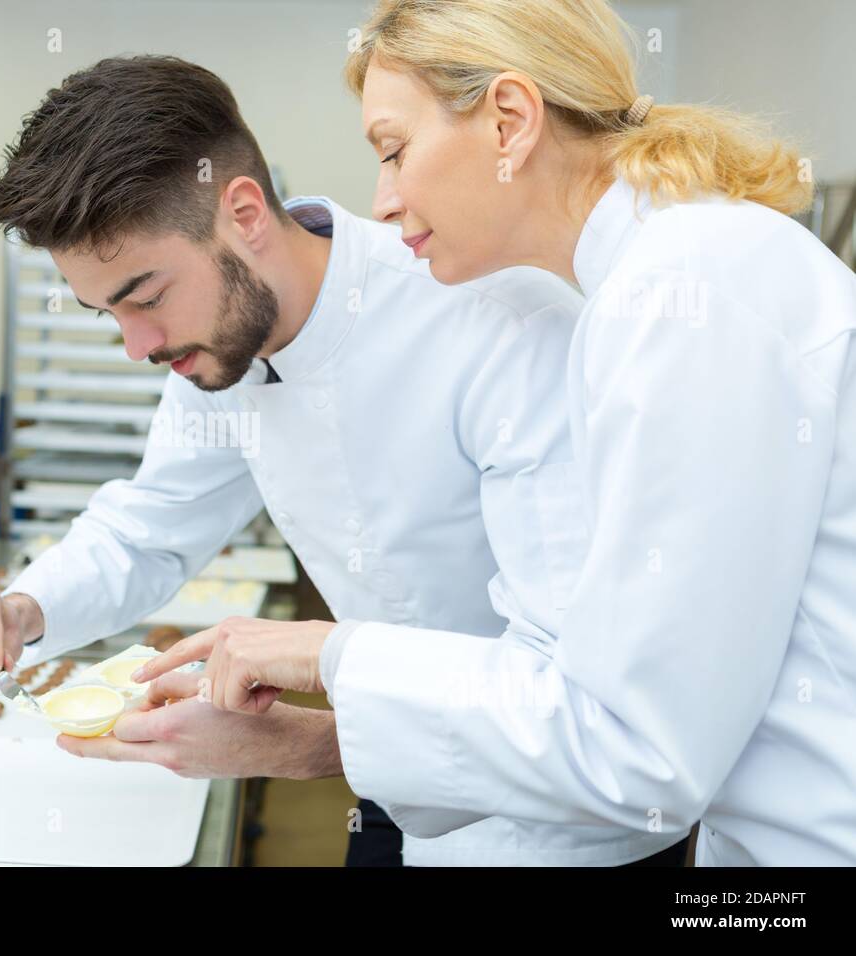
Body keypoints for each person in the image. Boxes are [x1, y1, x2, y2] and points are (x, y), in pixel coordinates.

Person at [141, 0, 856, 866]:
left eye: (395, 150)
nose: (384, 198)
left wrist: (331, 656)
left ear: (511, 121)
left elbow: (637, 752)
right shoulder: (645, 288)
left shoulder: (681, 292)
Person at [0, 55, 685, 865]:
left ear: (244, 213)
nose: (137, 346)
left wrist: (313, 743)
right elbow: (148, 530)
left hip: (566, 831)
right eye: (107, 311)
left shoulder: (493, 319)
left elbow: (571, 692)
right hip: (399, 796)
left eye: (145, 297)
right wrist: (24, 608)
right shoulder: (218, 348)